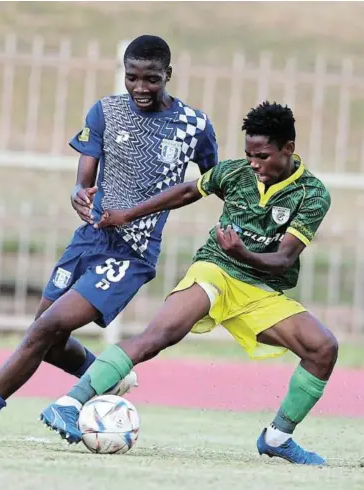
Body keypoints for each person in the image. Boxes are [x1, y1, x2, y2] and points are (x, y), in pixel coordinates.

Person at [0, 34, 218, 442]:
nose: (140, 88)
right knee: (49, 334)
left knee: (44, 330)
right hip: (89, 239)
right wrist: (80, 191)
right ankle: (108, 376)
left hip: (131, 252)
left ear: (168, 75)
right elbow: (86, 171)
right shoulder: (106, 111)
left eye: (151, 79)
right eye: (132, 77)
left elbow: (209, 182)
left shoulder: (194, 126)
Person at [48, 101, 337, 466]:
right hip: (214, 270)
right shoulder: (234, 173)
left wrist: (244, 253)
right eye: (249, 154)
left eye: (262, 156)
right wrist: (127, 214)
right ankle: (71, 402)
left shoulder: (312, 194)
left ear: (288, 149)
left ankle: (277, 437)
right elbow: (187, 192)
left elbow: (283, 259)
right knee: (157, 337)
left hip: (260, 288)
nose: (253, 164)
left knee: (323, 349)